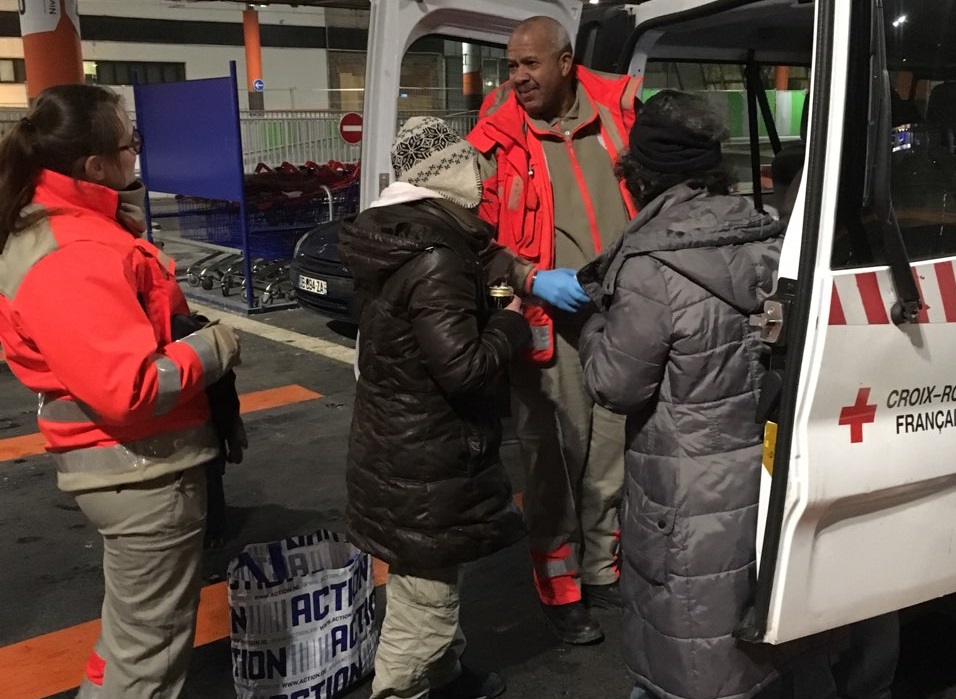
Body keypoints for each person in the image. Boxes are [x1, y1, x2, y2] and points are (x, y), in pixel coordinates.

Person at [0, 84, 242, 698]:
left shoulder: (70, 228)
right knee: (148, 659)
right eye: (131, 142)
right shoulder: (73, 251)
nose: (138, 153)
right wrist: (214, 347)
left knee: (131, 640)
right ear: (95, 165)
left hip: (131, 468)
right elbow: (126, 387)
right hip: (142, 473)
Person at [576, 89, 786, 699]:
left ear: (639, 176)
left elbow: (614, 384)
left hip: (683, 495)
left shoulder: (650, 268)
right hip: (764, 479)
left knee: (688, 656)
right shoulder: (767, 239)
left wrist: (591, 324)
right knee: (752, 640)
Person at [339, 116, 531, 699]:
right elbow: (464, 367)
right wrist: (511, 323)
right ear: (447, 173)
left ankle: (444, 675)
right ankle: (400, 689)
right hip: (427, 452)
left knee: (425, 573)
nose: (481, 173)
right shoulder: (435, 256)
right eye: (470, 162)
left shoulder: (397, 235)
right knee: (425, 603)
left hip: (398, 442)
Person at [467, 14, 642, 643]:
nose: (518, 77)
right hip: (546, 322)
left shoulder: (620, 117)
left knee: (611, 450)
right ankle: (560, 585)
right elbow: (474, 241)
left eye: (531, 63)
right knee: (552, 462)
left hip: (620, 314)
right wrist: (530, 279)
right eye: (511, 65)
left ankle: (602, 568)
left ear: (566, 63)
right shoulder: (495, 138)